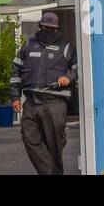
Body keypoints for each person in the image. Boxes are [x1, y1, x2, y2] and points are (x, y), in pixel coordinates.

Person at [10, 11, 76, 176]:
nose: (48, 31)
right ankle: (51, 173)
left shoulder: (66, 47)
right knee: (29, 137)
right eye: (45, 27)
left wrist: (68, 77)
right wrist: (15, 97)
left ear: (57, 29)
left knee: (54, 145)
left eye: (51, 28)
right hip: (31, 102)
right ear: (40, 26)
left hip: (54, 103)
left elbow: (77, 68)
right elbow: (15, 71)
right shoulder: (28, 45)